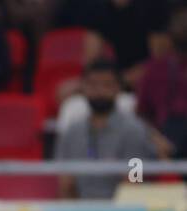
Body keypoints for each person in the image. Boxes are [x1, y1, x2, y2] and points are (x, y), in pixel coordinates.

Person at [56, 59, 160, 200]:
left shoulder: (134, 131)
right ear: (83, 87)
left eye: (107, 85)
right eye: (92, 84)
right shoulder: (72, 132)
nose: (99, 91)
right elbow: (66, 184)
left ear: (118, 88)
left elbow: (135, 181)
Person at [136, 6, 187, 157]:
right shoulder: (155, 69)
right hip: (164, 144)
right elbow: (141, 115)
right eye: (180, 24)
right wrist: (156, 139)